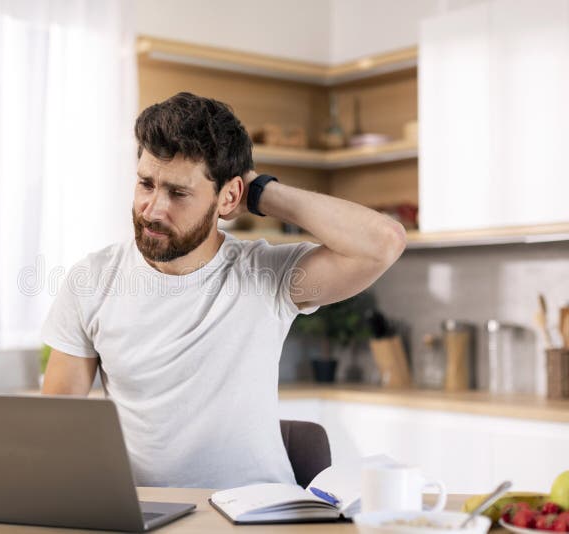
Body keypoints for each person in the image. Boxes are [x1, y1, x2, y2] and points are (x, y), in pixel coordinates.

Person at [40, 92, 405, 489]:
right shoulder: (92, 281)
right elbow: (58, 427)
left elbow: (384, 242)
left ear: (228, 196)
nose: (153, 209)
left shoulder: (270, 278)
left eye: (178, 193)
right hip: (146, 517)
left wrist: (262, 191)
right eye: (146, 184)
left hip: (258, 517)